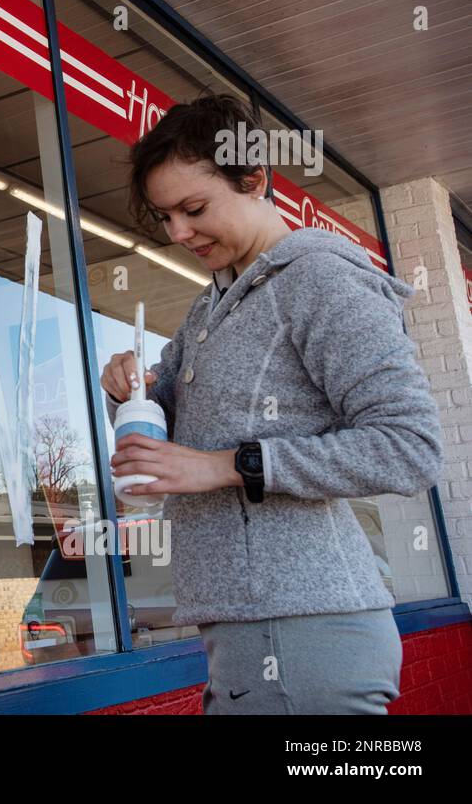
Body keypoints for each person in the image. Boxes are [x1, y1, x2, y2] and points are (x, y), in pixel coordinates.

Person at [100, 93, 444, 715]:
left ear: (255, 179)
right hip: (247, 627)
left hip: (305, 628)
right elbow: (163, 431)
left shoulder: (321, 281)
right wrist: (126, 393)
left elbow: (410, 447)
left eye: (194, 208)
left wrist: (231, 464)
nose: (178, 232)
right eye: (164, 217)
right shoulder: (211, 307)